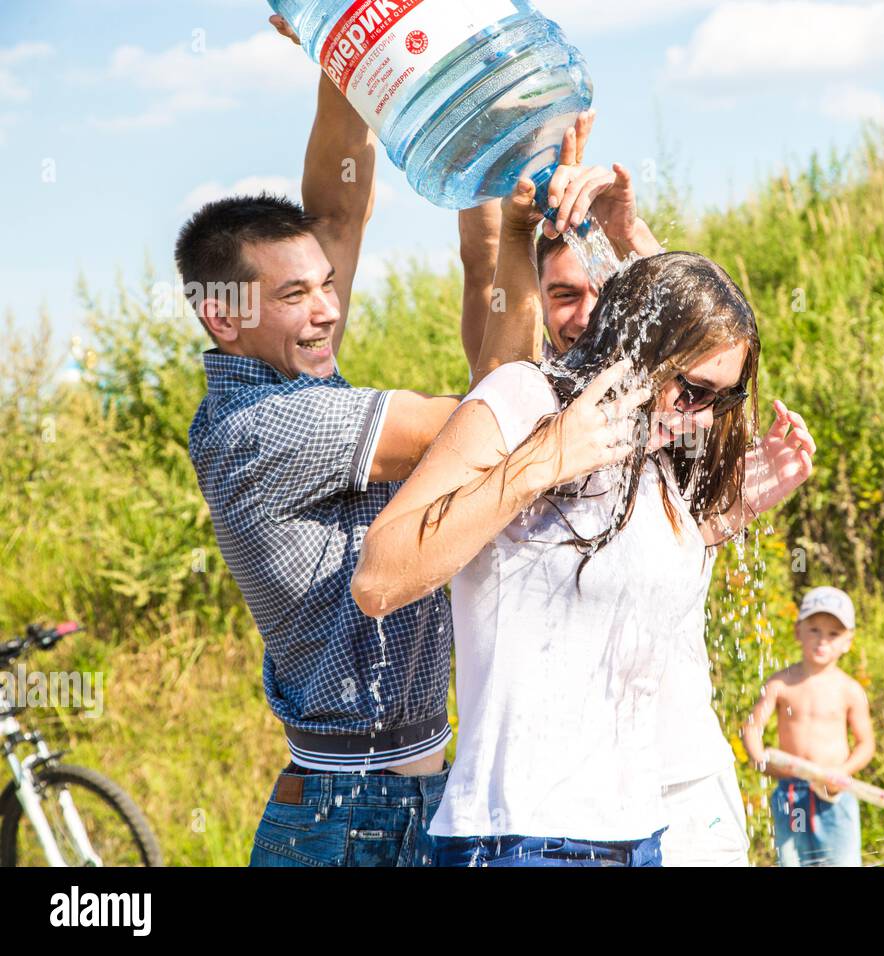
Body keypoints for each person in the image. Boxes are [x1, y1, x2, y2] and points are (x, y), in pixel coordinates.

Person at [179, 14, 602, 866]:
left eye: (327, 286)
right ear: (222, 315)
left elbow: (337, 202)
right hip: (348, 815)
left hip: (420, 791)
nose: (328, 309)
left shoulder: (290, 370)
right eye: (296, 295)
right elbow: (496, 420)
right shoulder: (263, 428)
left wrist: (346, 44)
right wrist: (519, 241)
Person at [351, 250, 816, 866]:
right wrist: (544, 458)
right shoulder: (527, 397)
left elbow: (605, 605)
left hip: (640, 833)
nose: (700, 417)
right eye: (694, 390)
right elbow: (379, 576)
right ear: (639, 347)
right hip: (522, 835)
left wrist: (724, 519)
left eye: (721, 401)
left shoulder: (649, 450)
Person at [480, 165, 761, 867]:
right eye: (563, 295)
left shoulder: (678, 414)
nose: (587, 313)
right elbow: (494, 365)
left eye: (603, 292)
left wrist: (626, 230)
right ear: (539, 305)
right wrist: (509, 227)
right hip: (573, 814)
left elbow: (722, 358)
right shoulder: (535, 412)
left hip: (689, 783)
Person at [741, 587, 875, 867]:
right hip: (791, 791)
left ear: (848, 641)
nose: (822, 640)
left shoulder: (849, 689)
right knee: (792, 862)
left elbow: (866, 744)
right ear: (797, 631)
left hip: (834, 792)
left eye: (833, 634)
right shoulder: (780, 684)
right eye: (814, 629)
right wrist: (760, 759)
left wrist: (842, 772)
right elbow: (753, 727)